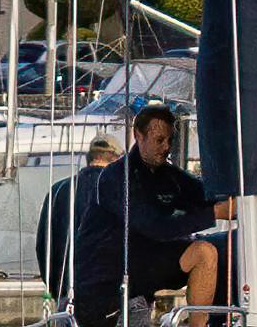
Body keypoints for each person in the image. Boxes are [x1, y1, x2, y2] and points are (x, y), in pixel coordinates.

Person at [62, 95, 226, 325]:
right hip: (103, 284)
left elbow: (206, 196)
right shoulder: (116, 177)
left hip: (143, 272)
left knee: (205, 252)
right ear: (138, 135)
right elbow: (154, 226)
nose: (166, 148)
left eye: (170, 141)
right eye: (159, 140)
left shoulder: (170, 176)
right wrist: (215, 214)